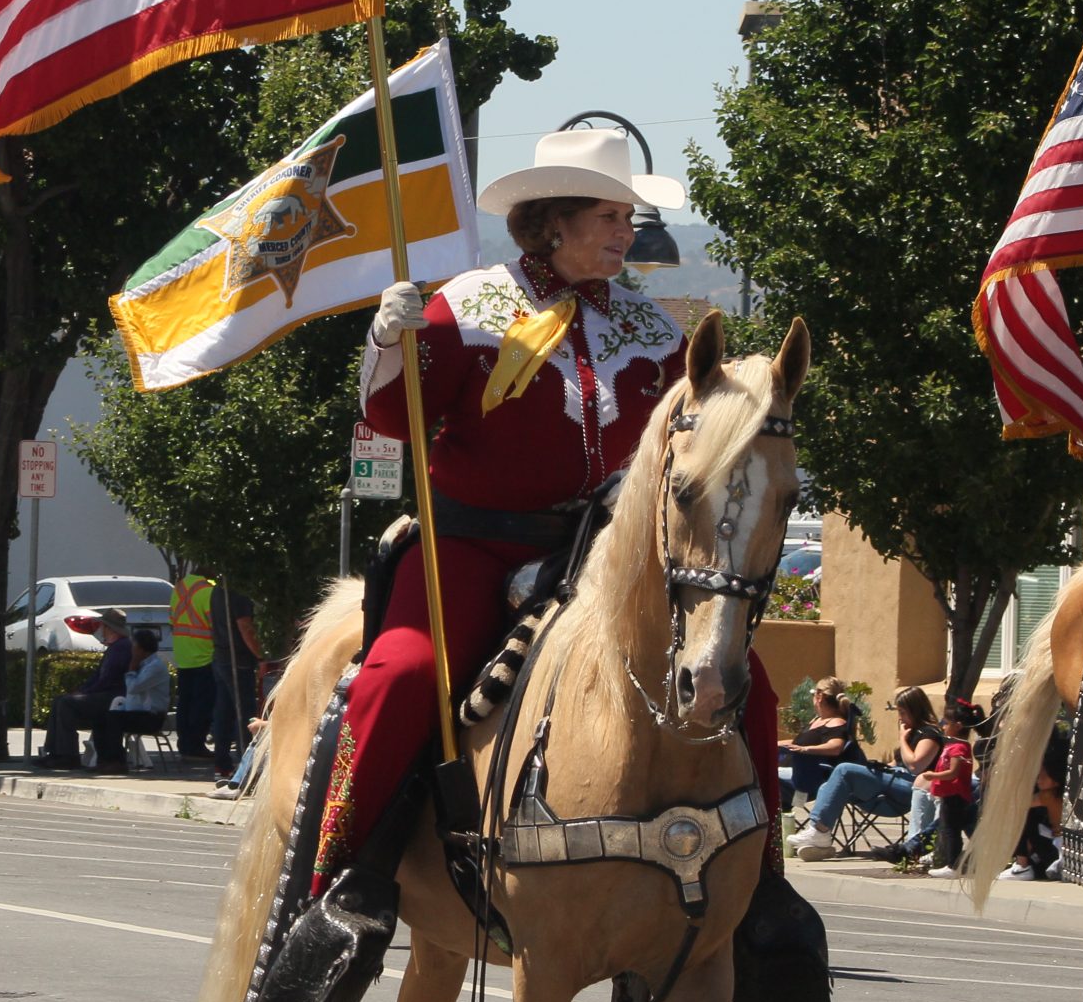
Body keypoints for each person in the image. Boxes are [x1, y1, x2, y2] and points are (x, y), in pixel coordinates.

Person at [307, 128, 784, 893]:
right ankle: (334, 876)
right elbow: (395, 416)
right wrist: (387, 342)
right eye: (610, 217)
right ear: (553, 220)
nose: (627, 234)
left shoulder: (658, 330)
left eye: (629, 219)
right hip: (470, 549)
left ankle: (762, 889)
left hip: (601, 556)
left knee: (744, 678)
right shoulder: (466, 306)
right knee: (402, 677)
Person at [793, 686, 942, 861]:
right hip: (895, 781)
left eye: (902, 712)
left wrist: (902, 739)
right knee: (831, 783)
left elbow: (916, 765)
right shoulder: (913, 732)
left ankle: (820, 831)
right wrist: (879, 768)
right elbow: (896, 763)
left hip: (913, 788)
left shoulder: (930, 734)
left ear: (915, 710)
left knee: (844, 769)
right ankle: (819, 839)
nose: (900, 718)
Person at [37, 609, 132, 770]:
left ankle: (68, 755)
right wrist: (81, 690)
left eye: (103, 626)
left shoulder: (121, 648)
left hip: (114, 696)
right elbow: (97, 677)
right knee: (60, 700)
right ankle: (55, 752)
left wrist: (85, 693)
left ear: (109, 628)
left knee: (67, 704)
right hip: (106, 693)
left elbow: (107, 680)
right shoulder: (114, 648)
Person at [89, 628, 172, 774]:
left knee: (114, 720)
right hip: (136, 712)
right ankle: (105, 760)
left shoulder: (155, 667)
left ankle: (117, 762)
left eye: (134, 647)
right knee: (100, 717)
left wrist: (132, 669)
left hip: (151, 716)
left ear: (141, 649)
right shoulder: (145, 665)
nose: (131, 651)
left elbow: (134, 687)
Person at [207, 580, 263, 791]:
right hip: (237, 660)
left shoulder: (218, 590)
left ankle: (222, 765)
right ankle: (246, 765)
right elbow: (245, 627)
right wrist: (261, 655)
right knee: (245, 713)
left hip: (221, 656)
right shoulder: (238, 593)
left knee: (224, 712)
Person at [919, 697, 982, 878]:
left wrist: (933, 776)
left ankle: (953, 865)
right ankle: (959, 861)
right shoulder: (952, 745)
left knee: (950, 830)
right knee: (952, 827)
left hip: (955, 794)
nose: (943, 725)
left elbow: (953, 773)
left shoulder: (959, 748)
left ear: (958, 726)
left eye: (946, 722)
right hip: (948, 793)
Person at [777, 678, 863, 810]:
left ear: (819, 696)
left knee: (763, 777)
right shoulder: (818, 720)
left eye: (813, 695)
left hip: (807, 777)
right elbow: (796, 743)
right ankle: (782, 814)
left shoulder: (835, 722)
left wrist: (805, 749)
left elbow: (836, 747)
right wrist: (772, 744)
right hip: (792, 770)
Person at [1000, 726, 1067, 882]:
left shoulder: (1049, 795)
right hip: (1055, 846)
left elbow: (1017, 803)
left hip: (1061, 850)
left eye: (1043, 774)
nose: (1039, 778)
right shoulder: (1047, 795)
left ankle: (1024, 865)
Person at [170, 569, 219, 764]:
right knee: (202, 705)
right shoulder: (208, 591)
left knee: (185, 703)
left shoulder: (179, 588)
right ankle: (196, 746)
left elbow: (173, 620)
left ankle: (185, 744)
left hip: (183, 655)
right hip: (204, 654)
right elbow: (216, 625)